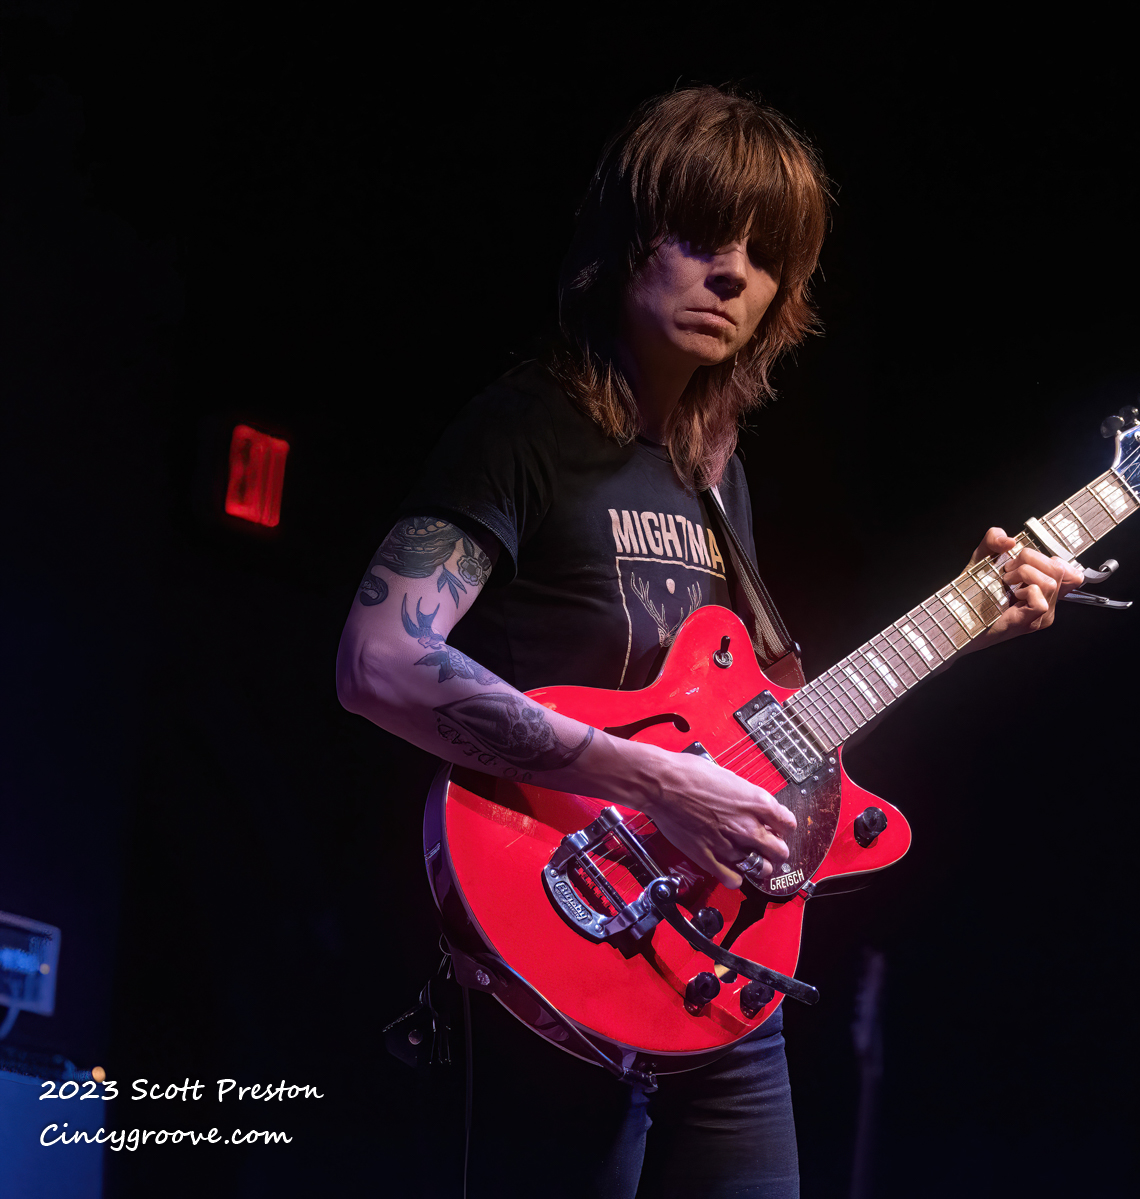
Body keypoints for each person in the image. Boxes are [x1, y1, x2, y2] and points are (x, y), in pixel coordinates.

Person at [335, 86, 1081, 1198]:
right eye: (701, 235)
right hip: (557, 945)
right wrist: (655, 781)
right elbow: (380, 663)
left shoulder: (717, 471)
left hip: (716, 966)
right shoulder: (526, 427)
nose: (733, 274)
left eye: (765, 257)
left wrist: (967, 621)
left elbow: (765, 725)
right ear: (625, 237)